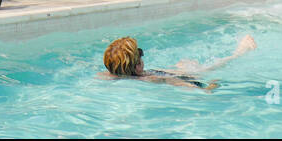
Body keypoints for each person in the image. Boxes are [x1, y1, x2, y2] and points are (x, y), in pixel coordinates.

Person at [101, 35, 257, 90]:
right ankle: (240, 52)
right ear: (137, 66)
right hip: (180, 76)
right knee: (205, 69)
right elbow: (178, 82)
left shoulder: (109, 75)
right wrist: (208, 86)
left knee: (185, 65)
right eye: (140, 53)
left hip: (155, 72)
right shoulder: (152, 78)